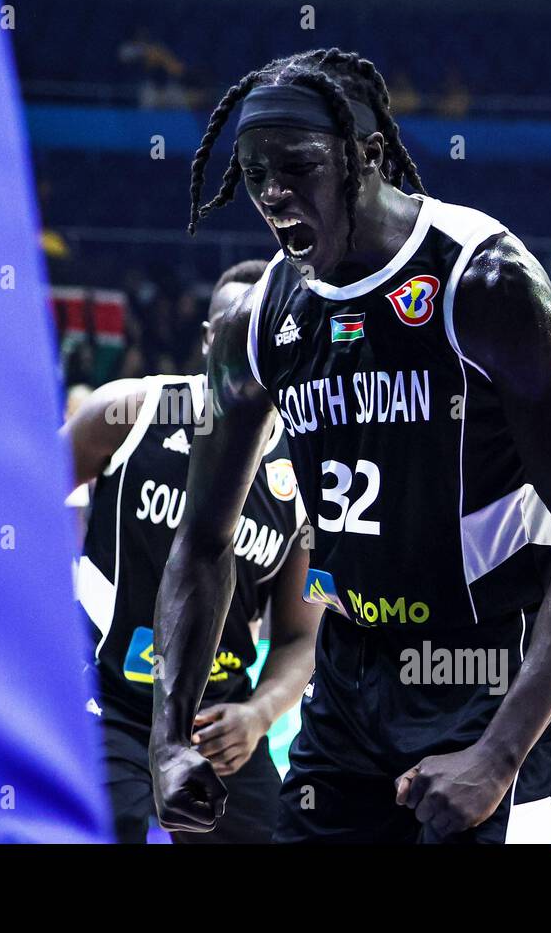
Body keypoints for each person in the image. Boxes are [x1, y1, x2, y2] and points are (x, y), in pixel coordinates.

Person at [148, 48, 551, 844]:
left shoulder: (482, 281)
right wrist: (165, 739)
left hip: (490, 670)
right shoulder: (256, 318)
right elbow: (202, 541)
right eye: (254, 172)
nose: (272, 196)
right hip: (349, 676)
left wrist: (498, 756)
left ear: (367, 157)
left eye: (297, 168)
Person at [61, 260, 320, 843]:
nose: (246, 348)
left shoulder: (302, 477)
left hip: (215, 721)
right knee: (112, 826)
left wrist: (258, 716)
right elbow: (16, 517)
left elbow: (300, 638)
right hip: (106, 703)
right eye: (234, 328)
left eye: (264, 334)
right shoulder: (128, 411)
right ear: (210, 338)